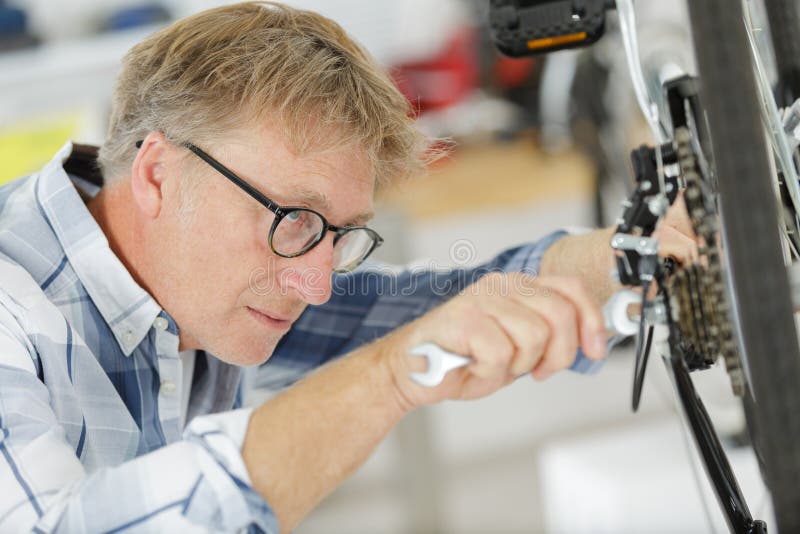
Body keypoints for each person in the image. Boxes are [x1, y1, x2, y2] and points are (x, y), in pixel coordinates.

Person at [0, 2, 696, 532]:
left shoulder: (190, 280)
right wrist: (390, 377)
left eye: (338, 234)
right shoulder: (13, 303)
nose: (318, 282)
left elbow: (446, 307)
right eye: (294, 220)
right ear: (157, 173)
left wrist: (638, 253)